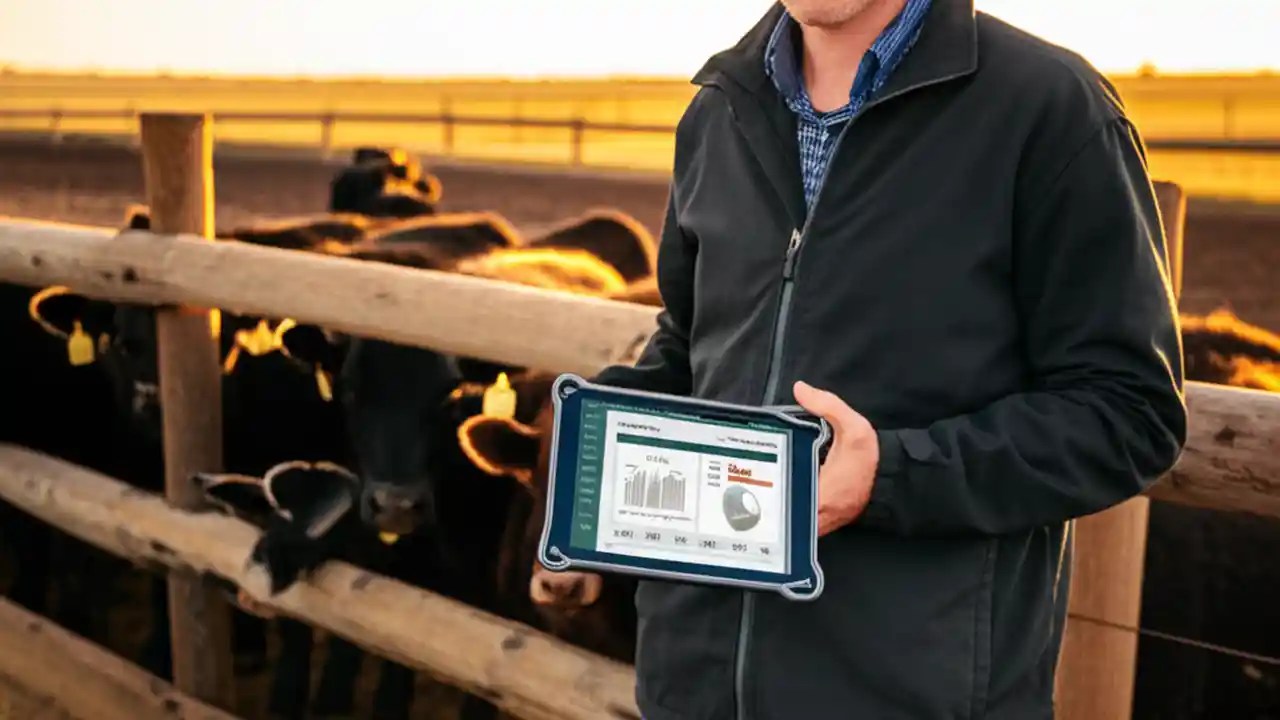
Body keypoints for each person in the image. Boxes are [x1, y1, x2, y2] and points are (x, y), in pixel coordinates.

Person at [590, 0, 1188, 717]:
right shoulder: (719, 109)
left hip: (917, 694)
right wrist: (599, 429)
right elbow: (696, 342)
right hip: (695, 686)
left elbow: (1128, 410)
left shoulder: (1050, 108)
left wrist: (893, 478)